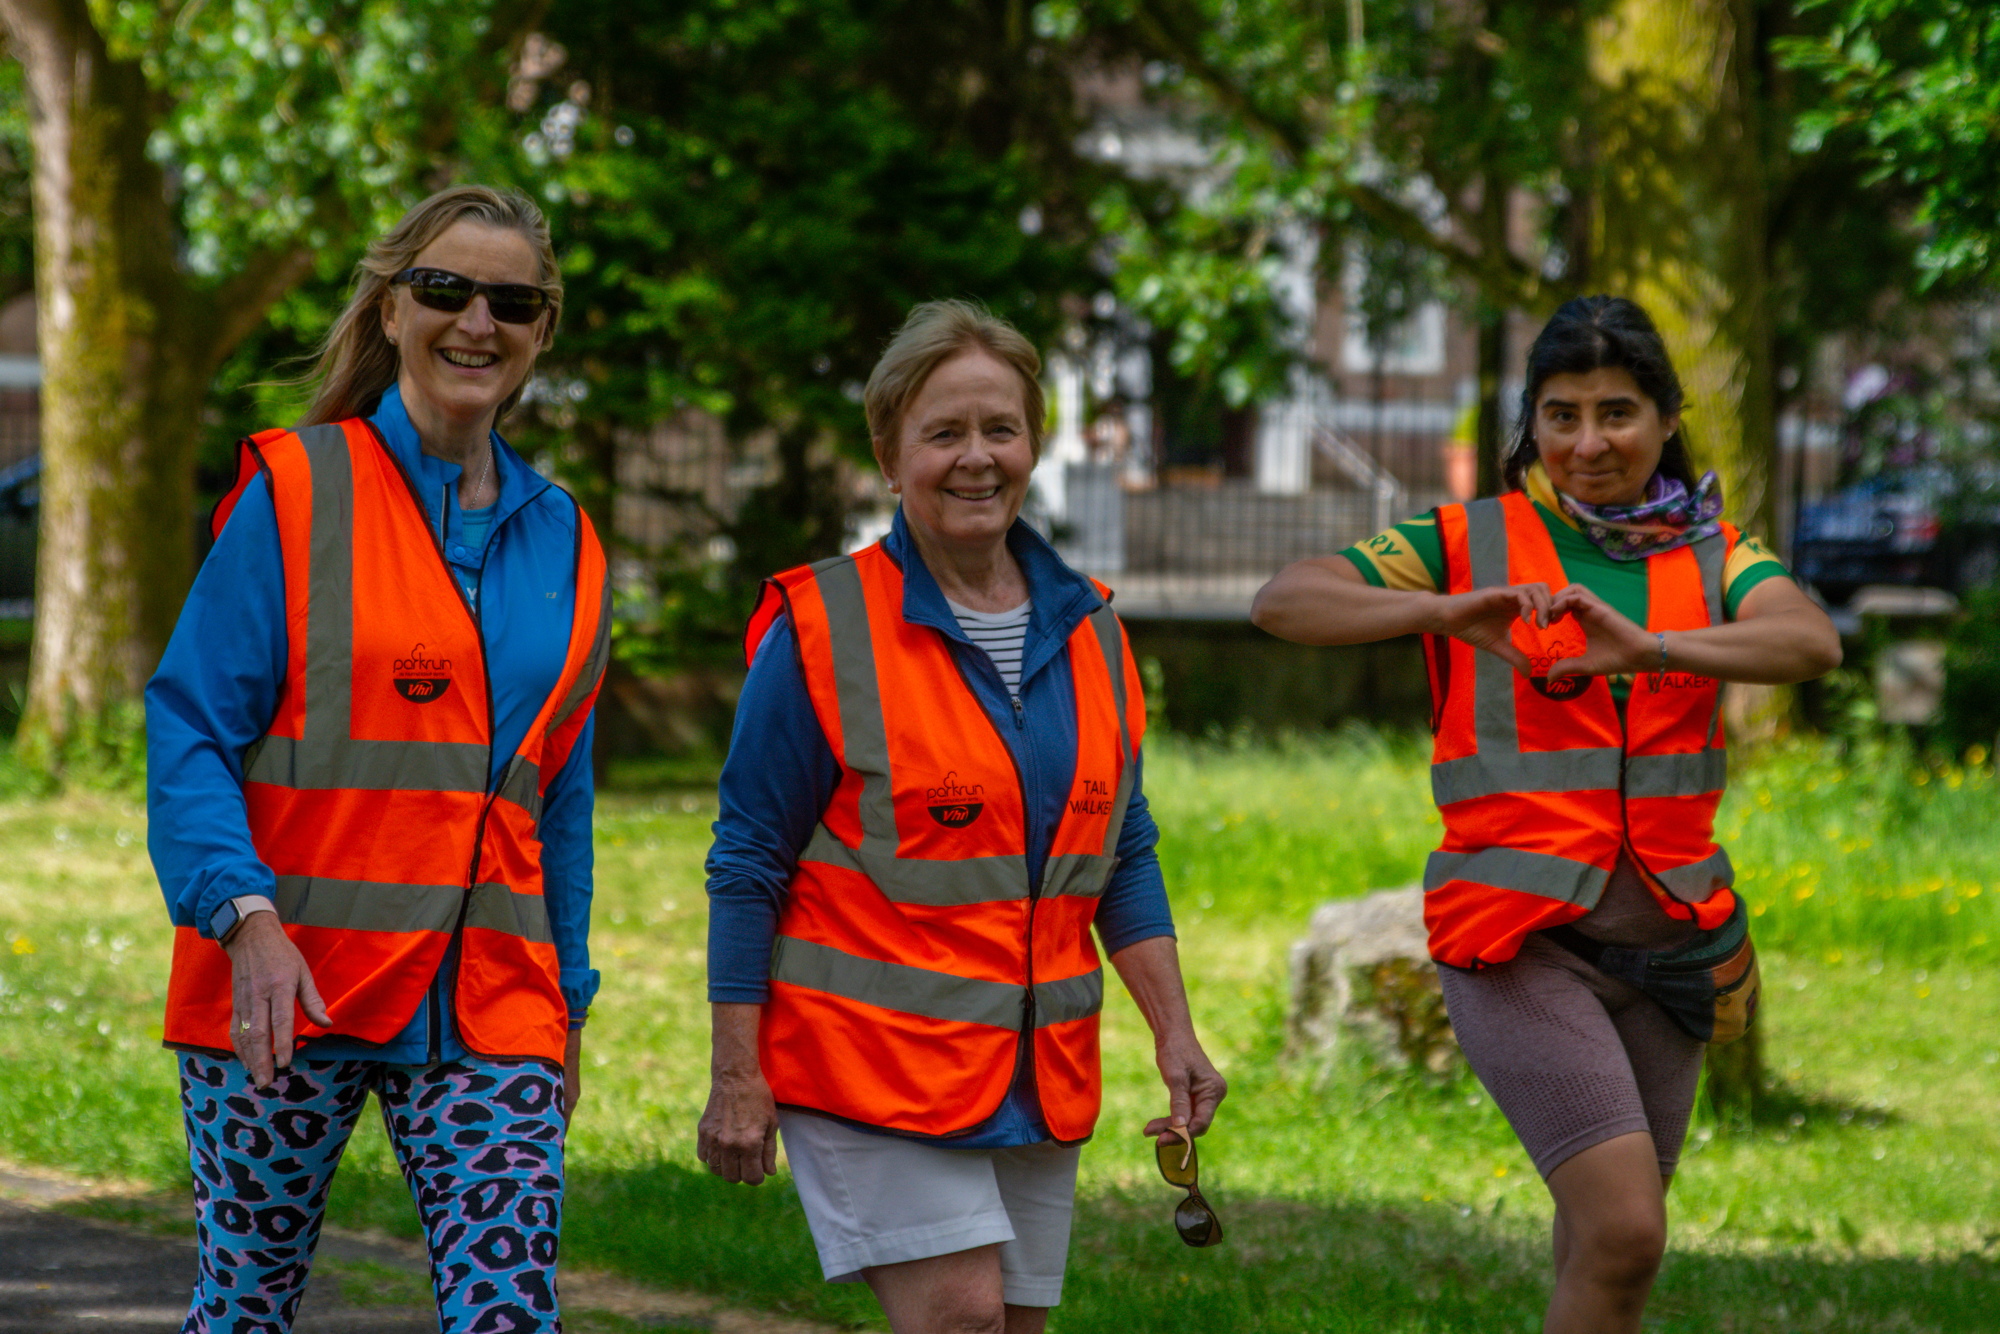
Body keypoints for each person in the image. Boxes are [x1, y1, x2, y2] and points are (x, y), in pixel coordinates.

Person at [1252, 296, 1841, 1334]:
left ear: (1664, 419)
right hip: (1516, 940)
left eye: (1615, 412)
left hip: (1670, 948)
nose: (1586, 441)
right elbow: (1285, 599)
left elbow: (1806, 642)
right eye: (1559, 414)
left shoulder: (1712, 553)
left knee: (1606, 1249)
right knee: (1624, 1231)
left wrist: (1648, 647)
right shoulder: (1463, 539)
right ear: (1530, 423)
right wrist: (1441, 609)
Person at [698, 300, 1227, 1334]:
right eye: (942, 433)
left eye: (1000, 428)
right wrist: (734, 1072)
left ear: (1033, 441)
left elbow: (1119, 849)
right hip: (868, 1062)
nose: (976, 457)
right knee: (958, 1318)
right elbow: (747, 859)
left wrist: (1175, 1030)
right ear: (889, 456)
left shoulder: (1092, 630)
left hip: (1036, 1071)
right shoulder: (823, 625)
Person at [149, 185, 610, 1334]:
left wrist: (570, 998)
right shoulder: (296, 492)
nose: (477, 322)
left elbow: (559, 798)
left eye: (512, 300)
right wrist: (242, 916)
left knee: (508, 1314)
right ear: (393, 307)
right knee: (246, 1307)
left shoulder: (567, 537)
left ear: (542, 328)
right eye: (446, 289)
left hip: (488, 1005)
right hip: (285, 988)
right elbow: (191, 726)